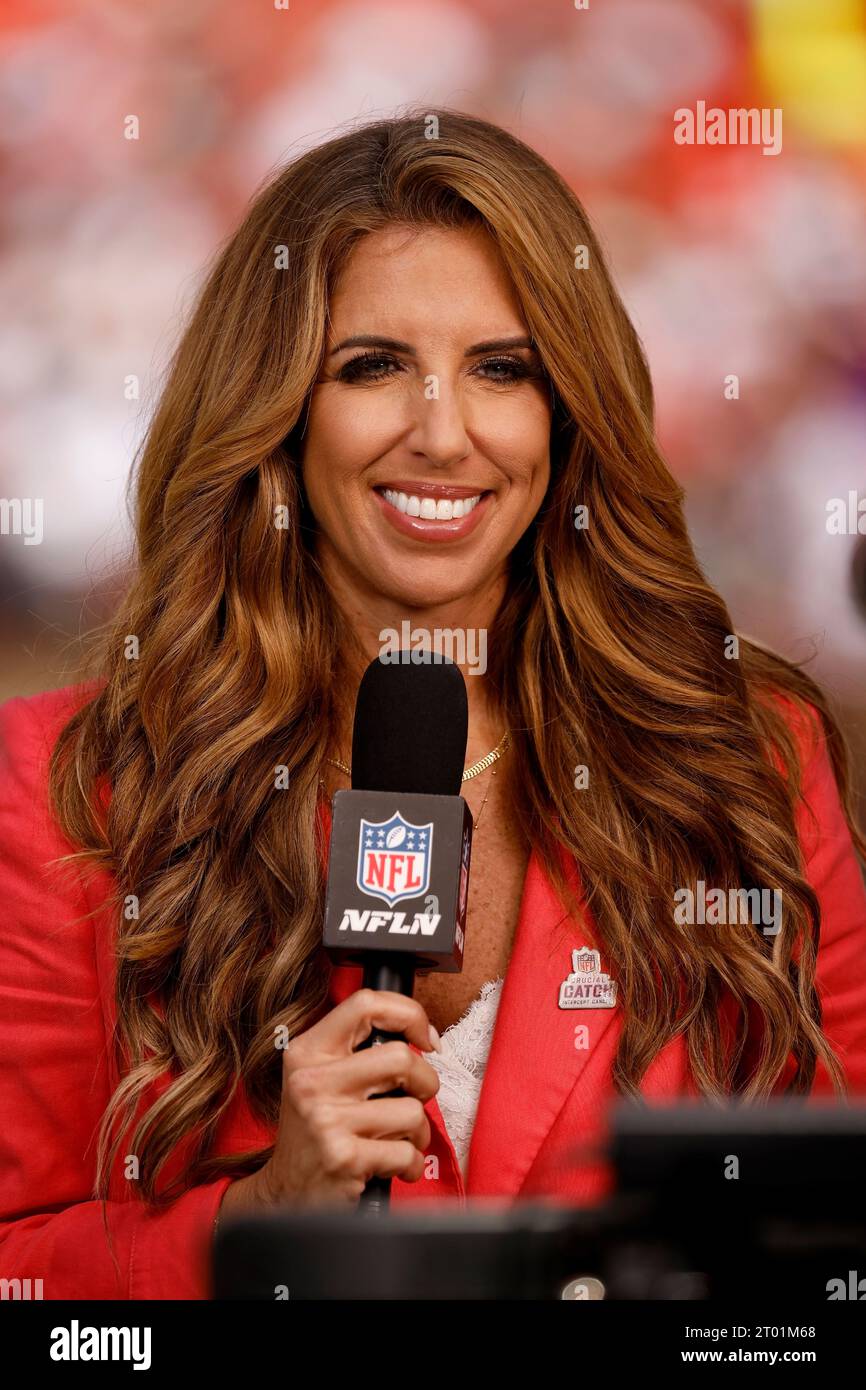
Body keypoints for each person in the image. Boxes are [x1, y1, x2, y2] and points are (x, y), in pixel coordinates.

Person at [2, 109, 865, 1300]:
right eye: (371, 367)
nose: (442, 433)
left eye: (500, 370)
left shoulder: (744, 756)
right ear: (277, 413)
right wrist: (258, 1218)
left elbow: (834, 1238)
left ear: (566, 413)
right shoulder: (59, 786)